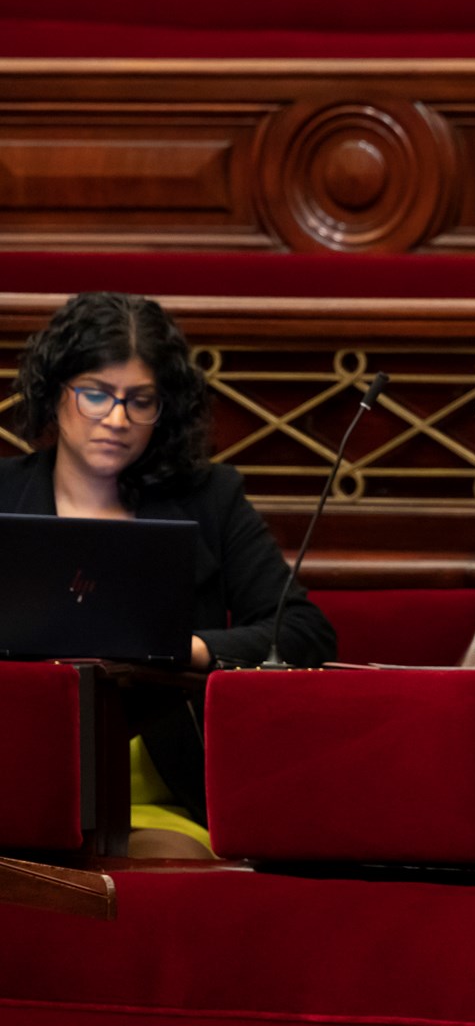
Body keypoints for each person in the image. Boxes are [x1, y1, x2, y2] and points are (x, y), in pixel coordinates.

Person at [1, 291, 335, 855]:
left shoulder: (211, 498)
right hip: (22, 778)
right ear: (55, 393)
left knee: (171, 861)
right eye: (95, 395)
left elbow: (305, 631)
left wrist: (193, 648)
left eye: (140, 401)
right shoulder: (4, 494)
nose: (117, 418)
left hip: (165, 789)